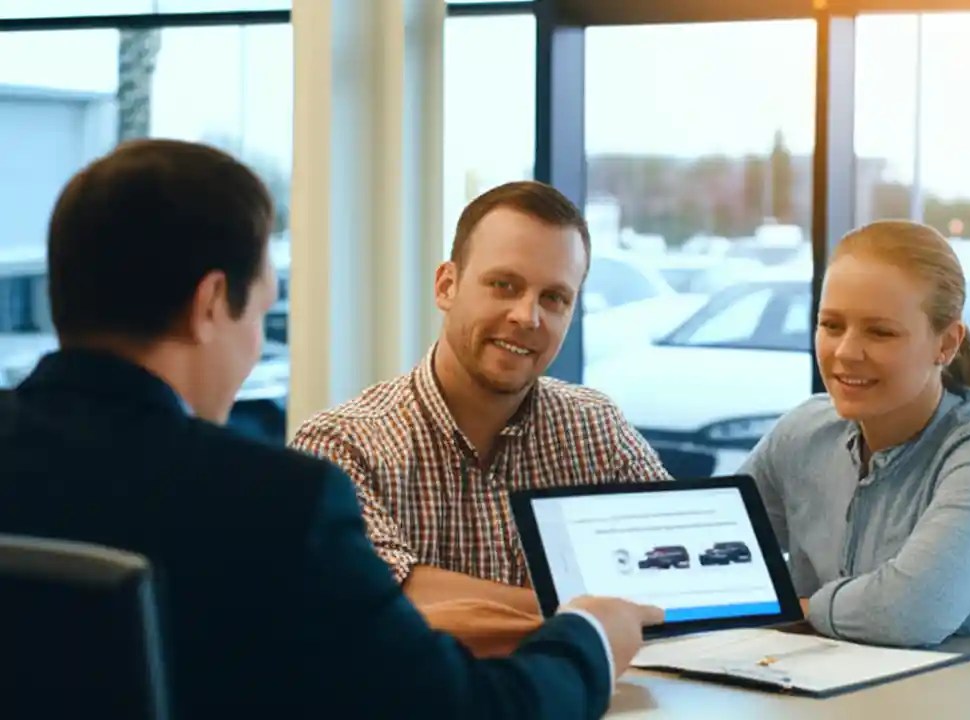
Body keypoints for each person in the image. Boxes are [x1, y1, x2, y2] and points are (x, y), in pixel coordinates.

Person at [0, 139, 661, 719]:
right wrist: (587, 633)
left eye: (555, 298)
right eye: (261, 312)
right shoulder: (277, 501)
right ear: (211, 306)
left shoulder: (591, 420)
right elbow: (458, 710)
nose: (528, 317)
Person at [291, 181, 670, 615]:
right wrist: (588, 612)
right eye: (504, 285)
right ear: (446, 286)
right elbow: (385, 598)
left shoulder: (595, 428)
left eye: (554, 298)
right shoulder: (342, 447)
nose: (527, 317)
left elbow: (679, 572)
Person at [741, 220, 970, 647]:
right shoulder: (803, 433)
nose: (845, 352)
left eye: (880, 332)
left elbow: (904, 614)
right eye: (832, 325)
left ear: (946, 344)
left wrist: (793, 611)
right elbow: (710, 553)